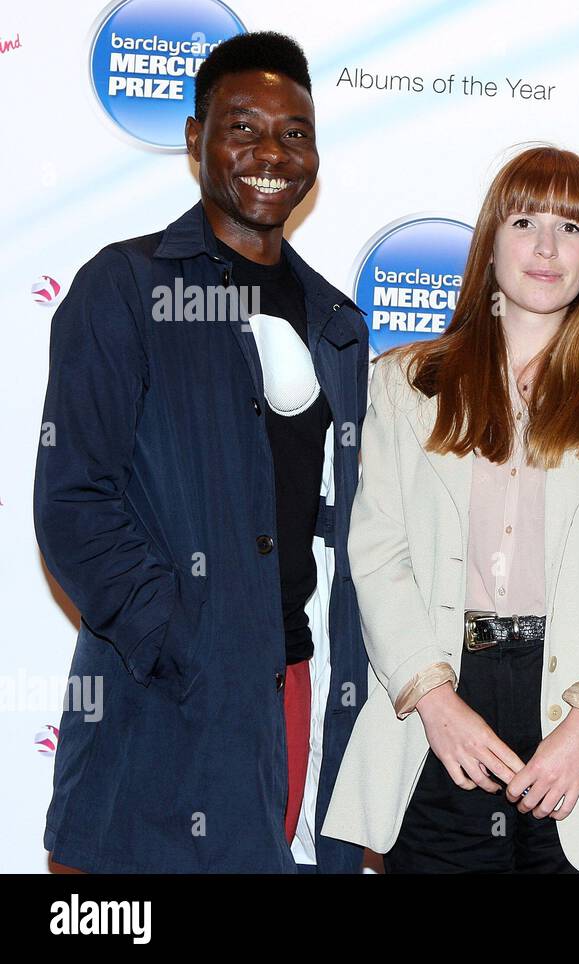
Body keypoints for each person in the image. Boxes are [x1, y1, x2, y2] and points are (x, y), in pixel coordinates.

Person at [34, 32, 370, 872]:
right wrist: (183, 642)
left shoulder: (336, 322)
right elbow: (73, 503)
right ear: (195, 140)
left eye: (295, 132)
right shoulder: (127, 288)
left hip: (295, 687)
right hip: (159, 699)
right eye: (243, 126)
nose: (271, 152)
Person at [322, 146, 579, 873]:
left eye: (571, 227)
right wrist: (433, 700)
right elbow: (377, 553)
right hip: (446, 703)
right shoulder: (405, 383)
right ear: (491, 243)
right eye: (525, 221)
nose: (547, 247)